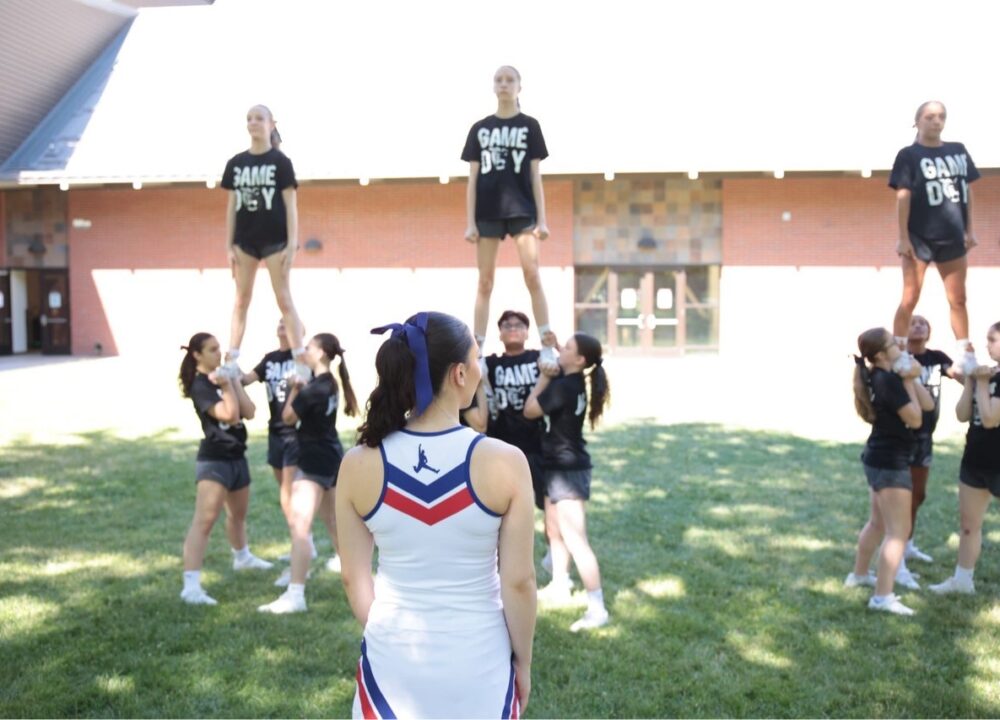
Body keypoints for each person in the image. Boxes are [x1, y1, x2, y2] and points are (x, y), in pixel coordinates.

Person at [337, 311, 535, 717]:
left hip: (389, 667)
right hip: (481, 664)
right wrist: (525, 663)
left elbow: (353, 576)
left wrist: (386, 636)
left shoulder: (357, 463)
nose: (481, 369)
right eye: (478, 359)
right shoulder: (505, 461)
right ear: (460, 374)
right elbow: (518, 581)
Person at [462, 66, 558, 372]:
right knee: (485, 281)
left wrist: (542, 219)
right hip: (487, 212)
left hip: (523, 210)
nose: (504, 84)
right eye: (499, 80)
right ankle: (476, 350)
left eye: (510, 80)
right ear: (493, 87)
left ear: (519, 87)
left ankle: (546, 345)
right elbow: (472, 178)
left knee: (532, 274)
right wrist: (470, 222)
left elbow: (535, 174)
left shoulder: (530, 126)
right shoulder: (480, 128)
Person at [259, 333, 358, 613]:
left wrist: (294, 388)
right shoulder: (329, 383)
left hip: (314, 461)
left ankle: (295, 595)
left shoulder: (314, 387)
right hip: (332, 457)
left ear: (323, 353)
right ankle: (359, 583)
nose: (305, 350)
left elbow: (288, 418)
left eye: (311, 347)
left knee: (300, 527)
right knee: (336, 525)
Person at [524, 332, 610, 631]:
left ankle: (597, 607)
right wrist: (556, 345)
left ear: (580, 359)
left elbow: (530, 410)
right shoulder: (575, 379)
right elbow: (564, 360)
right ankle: (560, 584)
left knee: (576, 539)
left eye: (568, 348)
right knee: (553, 530)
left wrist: (544, 379)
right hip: (556, 467)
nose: (562, 351)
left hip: (568, 471)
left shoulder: (562, 387)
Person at [178, 332, 272, 606]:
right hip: (215, 459)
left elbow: (250, 411)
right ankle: (191, 586)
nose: (219, 353)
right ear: (197, 354)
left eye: (219, 348)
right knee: (204, 521)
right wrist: (227, 385)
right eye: (212, 349)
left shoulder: (221, 378)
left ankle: (242, 558)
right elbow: (230, 415)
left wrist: (231, 379)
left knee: (238, 515)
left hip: (236, 456)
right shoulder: (201, 385)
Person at [845, 328, 934, 616]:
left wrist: (909, 376)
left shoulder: (884, 376)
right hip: (890, 461)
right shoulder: (887, 381)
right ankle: (882, 597)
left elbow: (929, 403)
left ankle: (859, 575)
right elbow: (917, 419)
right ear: (881, 354)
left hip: (879, 458)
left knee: (878, 523)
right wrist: (908, 379)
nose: (900, 344)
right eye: (892, 343)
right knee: (898, 531)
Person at [889, 100, 980, 375]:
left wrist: (970, 229)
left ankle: (965, 353)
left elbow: (967, 191)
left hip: (952, 237)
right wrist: (902, 237)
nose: (936, 121)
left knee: (958, 298)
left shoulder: (958, 151)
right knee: (910, 297)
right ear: (918, 121)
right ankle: (899, 352)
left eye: (941, 116)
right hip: (919, 238)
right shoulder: (908, 155)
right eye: (930, 116)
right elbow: (902, 196)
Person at [220, 104, 308, 380]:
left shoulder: (281, 163)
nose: (253, 122)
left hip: (276, 241)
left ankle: (301, 363)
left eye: (259, 118)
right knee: (240, 300)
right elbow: (231, 205)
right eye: (249, 118)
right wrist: (229, 245)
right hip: (244, 241)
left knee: (283, 298)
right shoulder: (236, 163)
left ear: (272, 123)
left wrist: (292, 243)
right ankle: (231, 359)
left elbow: (291, 206)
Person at [930, 322, 1000, 595]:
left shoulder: (990, 379)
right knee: (969, 525)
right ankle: (962, 580)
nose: (987, 345)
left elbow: (992, 419)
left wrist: (981, 383)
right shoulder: (986, 374)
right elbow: (962, 414)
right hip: (975, 460)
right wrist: (971, 382)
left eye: (993, 340)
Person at [241, 319, 315, 570]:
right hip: (275, 431)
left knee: (289, 493)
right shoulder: (270, 359)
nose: (282, 324)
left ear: (300, 331)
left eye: (289, 322)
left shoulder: (304, 359)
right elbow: (247, 379)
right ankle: (304, 542)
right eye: (280, 322)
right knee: (284, 493)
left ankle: (303, 541)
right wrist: (229, 367)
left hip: (295, 431)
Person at [898, 315, 963, 581]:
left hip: (925, 436)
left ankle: (908, 544)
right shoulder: (901, 358)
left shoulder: (936, 358)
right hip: (902, 436)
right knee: (901, 497)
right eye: (913, 322)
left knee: (918, 495)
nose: (918, 326)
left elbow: (958, 374)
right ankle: (897, 551)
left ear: (930, 331)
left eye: (923, 323)